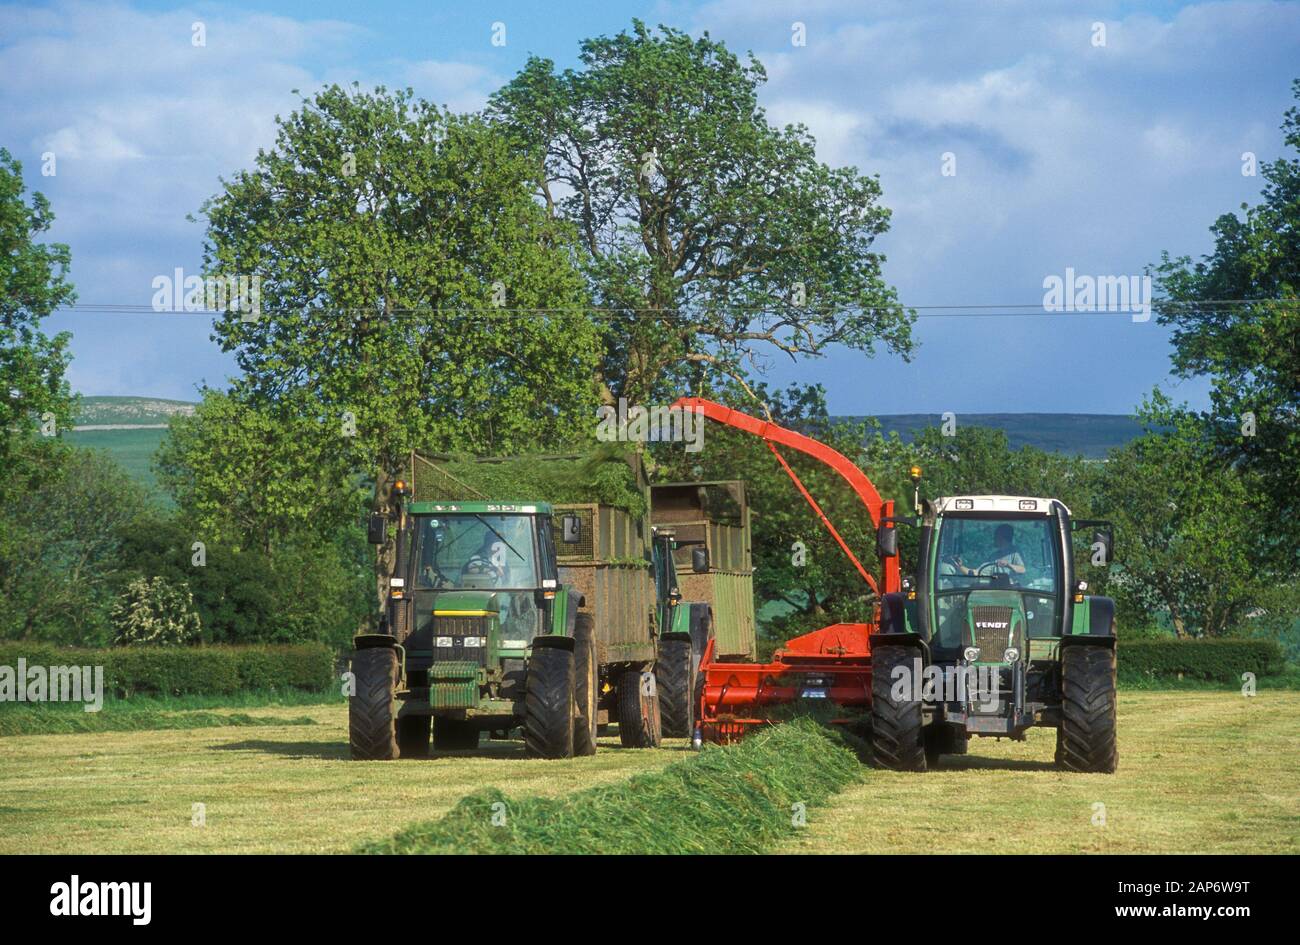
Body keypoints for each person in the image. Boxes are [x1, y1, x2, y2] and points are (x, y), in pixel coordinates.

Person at [957, 524, 1026, 576]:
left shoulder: (1015, 553)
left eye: (995, 536)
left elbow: (1022, 570)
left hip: (1013, 589)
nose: (994, 539)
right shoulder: (994, 556)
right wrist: (960, 566)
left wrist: (1008, 565)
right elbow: (977, 573)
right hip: (992, 589)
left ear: (1001, 537)